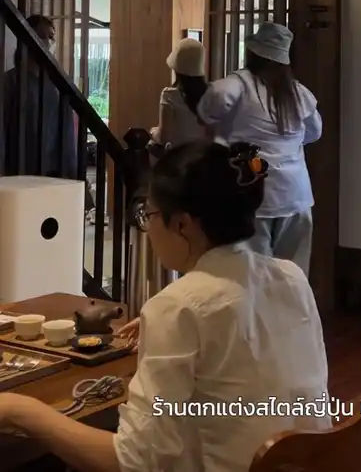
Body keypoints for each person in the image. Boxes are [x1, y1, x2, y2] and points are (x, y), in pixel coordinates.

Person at [0, 139, 331, 472]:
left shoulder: (180, 307)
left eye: (150, 215)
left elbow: (133, 462)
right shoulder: (290, 277)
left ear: (183, 224)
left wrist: (20, 410)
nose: (148, 229)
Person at [197, 21, 322, 276]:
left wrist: (216, 125)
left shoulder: (240, 83)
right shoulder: (297, 91)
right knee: (293, 278)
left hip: (255, 196)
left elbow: (212, 103)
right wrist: (286, 147)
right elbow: (315, 132)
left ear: (252, 53)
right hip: (296, 195)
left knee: (253, 278)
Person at [3, 15, 85, 195]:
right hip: (18, 174)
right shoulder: (10, 82)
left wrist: (72, 175)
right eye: (41, 36)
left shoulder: (59, 85)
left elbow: (67, 137)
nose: (47, 42)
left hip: (54, 173)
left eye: (51, 37)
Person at [149, 38, 209, 150]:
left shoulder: (170, 95)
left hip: (179, 158)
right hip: (207, 158)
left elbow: (163, 137)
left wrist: (153, 132)